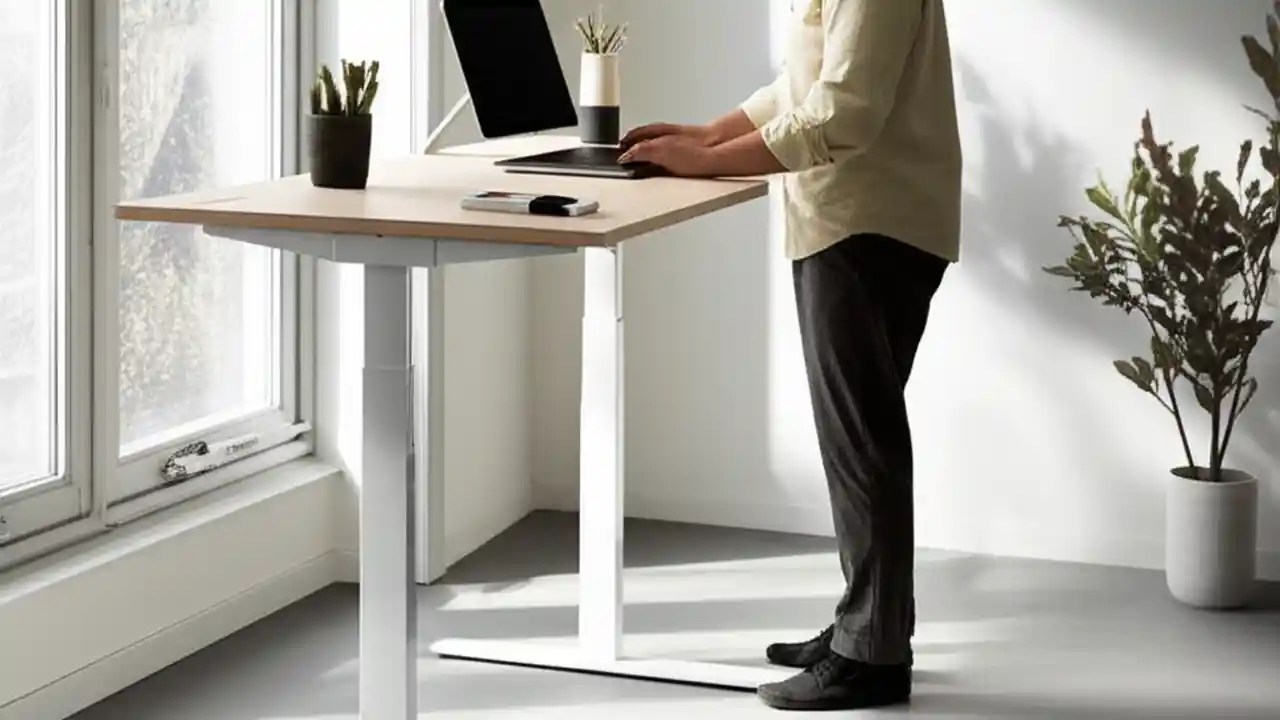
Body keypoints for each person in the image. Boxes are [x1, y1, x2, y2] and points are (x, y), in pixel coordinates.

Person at [619, 0, 961, 712]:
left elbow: (844, 114)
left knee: (862, 446)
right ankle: (869, 624)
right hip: (858, 219)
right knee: (861, 444)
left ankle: (871, 653)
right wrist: (706, 134)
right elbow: (802, 86)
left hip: (866, 223)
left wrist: (706, 163)